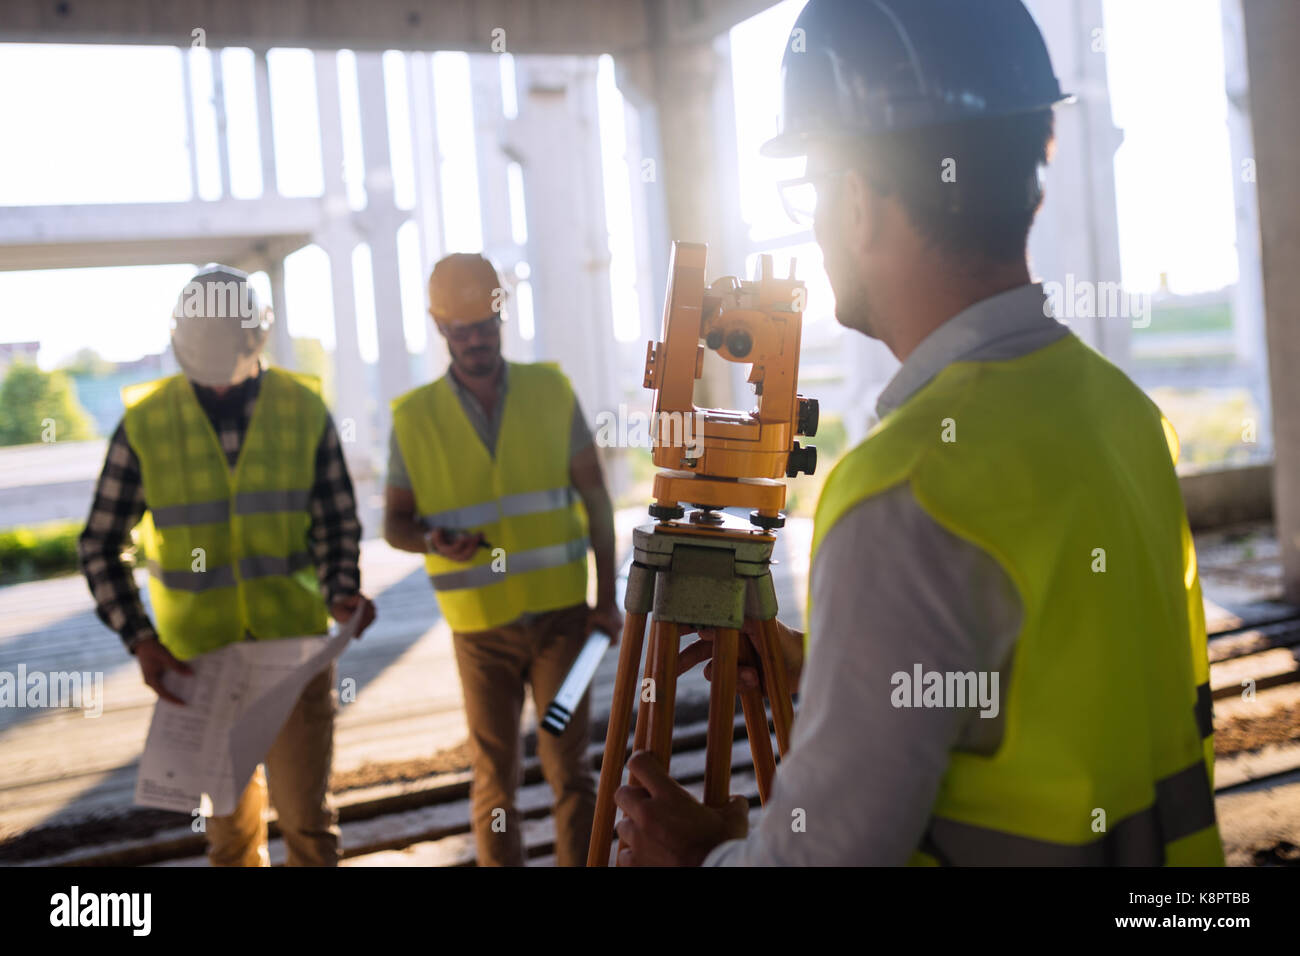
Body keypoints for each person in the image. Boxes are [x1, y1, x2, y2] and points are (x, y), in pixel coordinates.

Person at [613, 0, 1224, 866]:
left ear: (858, 201)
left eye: (816, 188)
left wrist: (702, 854)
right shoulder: (1125, 416)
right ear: (1033, 165)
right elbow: (1053, 686)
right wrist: (842, 668)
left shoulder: (904, 495)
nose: (816, 222)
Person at [79, 264, 375, 867]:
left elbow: (337, 521)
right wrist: (141, 640)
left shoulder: (300, 408)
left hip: (292, 654)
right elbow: (100, 542)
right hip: (198, 665)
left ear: (255, 341)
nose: (216, 389)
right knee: (229, 836)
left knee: (307, 825)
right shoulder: (147, 423)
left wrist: (340, 590)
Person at [383, 252, 622, 866]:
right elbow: (394, 525)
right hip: (480, 629)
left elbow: (596, 499)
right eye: (461, 331)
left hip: (561, 622)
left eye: (484, 328)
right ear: (440, 329)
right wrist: (433, 540)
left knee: (570, 769)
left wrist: (605, 600)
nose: (474, 342)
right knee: (494, 779)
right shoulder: (413, 419)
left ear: (501, 320)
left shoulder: (550, 390)